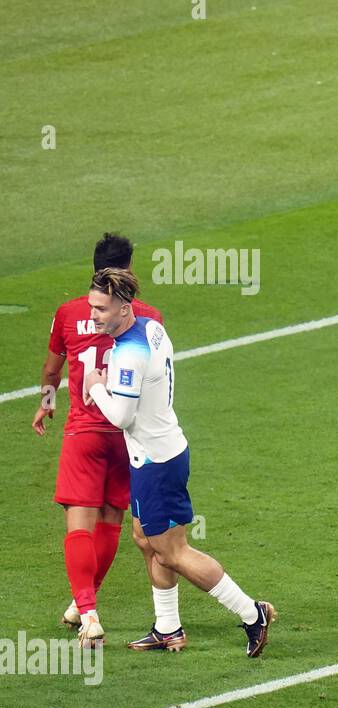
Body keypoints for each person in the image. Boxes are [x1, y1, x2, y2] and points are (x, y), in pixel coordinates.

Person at [84, 267, 276, 657]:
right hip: (155, 453)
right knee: (143, 539)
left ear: (124, 307)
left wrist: (97, 386)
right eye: (92, 307)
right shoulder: (152, 327)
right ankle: (168, 628)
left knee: (173, 551)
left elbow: (120, 416)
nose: (95, 316)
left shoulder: (128, 354)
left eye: (102, 309)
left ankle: (251, 612)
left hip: (156, 462)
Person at [33, 233, 164, 648]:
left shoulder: (69, 313)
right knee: (110, 521)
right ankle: (81, 604)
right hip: (127, 435)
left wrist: (47, 403)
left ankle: (89, 615)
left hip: (84, 433)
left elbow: (53, 370)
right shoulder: (150, 317)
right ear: (129, 268)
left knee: (79, 525)